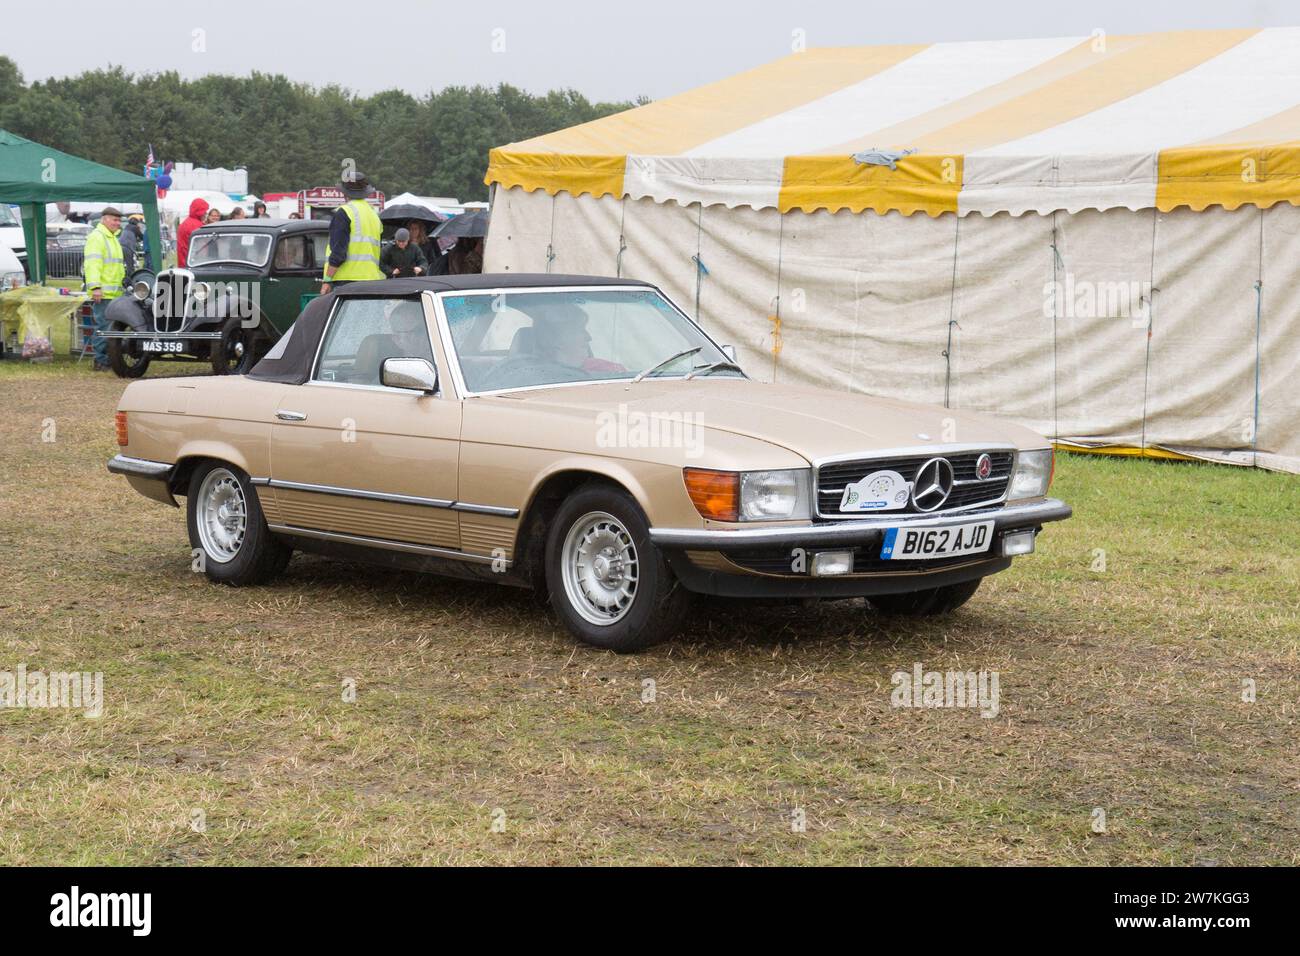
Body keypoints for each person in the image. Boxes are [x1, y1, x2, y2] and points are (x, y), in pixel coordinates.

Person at [320, 171, 383, 294]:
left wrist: (327, 280)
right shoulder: (374, 214)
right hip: (372, 278)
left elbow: (338, 253)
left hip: (347, 280)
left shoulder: (344, 212)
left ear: (344, 193)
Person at [83, 207, 126, 371]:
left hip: (114, 293)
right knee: (104, 327)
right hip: (104, 293)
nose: (117, 223)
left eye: (119, 220)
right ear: (104, 219)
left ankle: (108, 358)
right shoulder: (97, 237)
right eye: (114, 220)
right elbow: (92, 265)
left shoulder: (112, 238)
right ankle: (101, 360)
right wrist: (95, 287)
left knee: (111, 328)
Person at [177, 198, 209, 267]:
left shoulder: (184, 223)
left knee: (181, 277)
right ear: (200, 212)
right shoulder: (198, 226)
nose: (206, 214)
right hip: (194, 263)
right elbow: (203, 248)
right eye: (204, 211)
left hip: (182, 261)